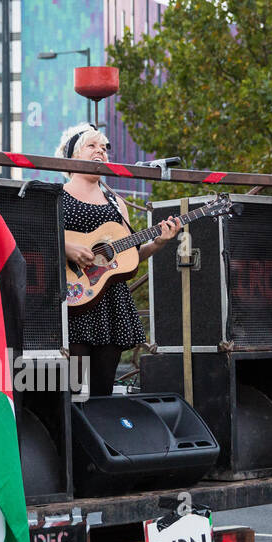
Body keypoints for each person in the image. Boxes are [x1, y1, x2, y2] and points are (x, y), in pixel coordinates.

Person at [58, 123, 181, 397]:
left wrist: (158, 243)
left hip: (111, 302)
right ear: (72, 155)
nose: (100, 151)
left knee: (102, 391)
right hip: (75, 298)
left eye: (104, 147)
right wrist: (67, 247)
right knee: (74, 390)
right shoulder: (57, 196)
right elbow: (34, 238)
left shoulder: (116, 202)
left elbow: (127, 258)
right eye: (92, 146)